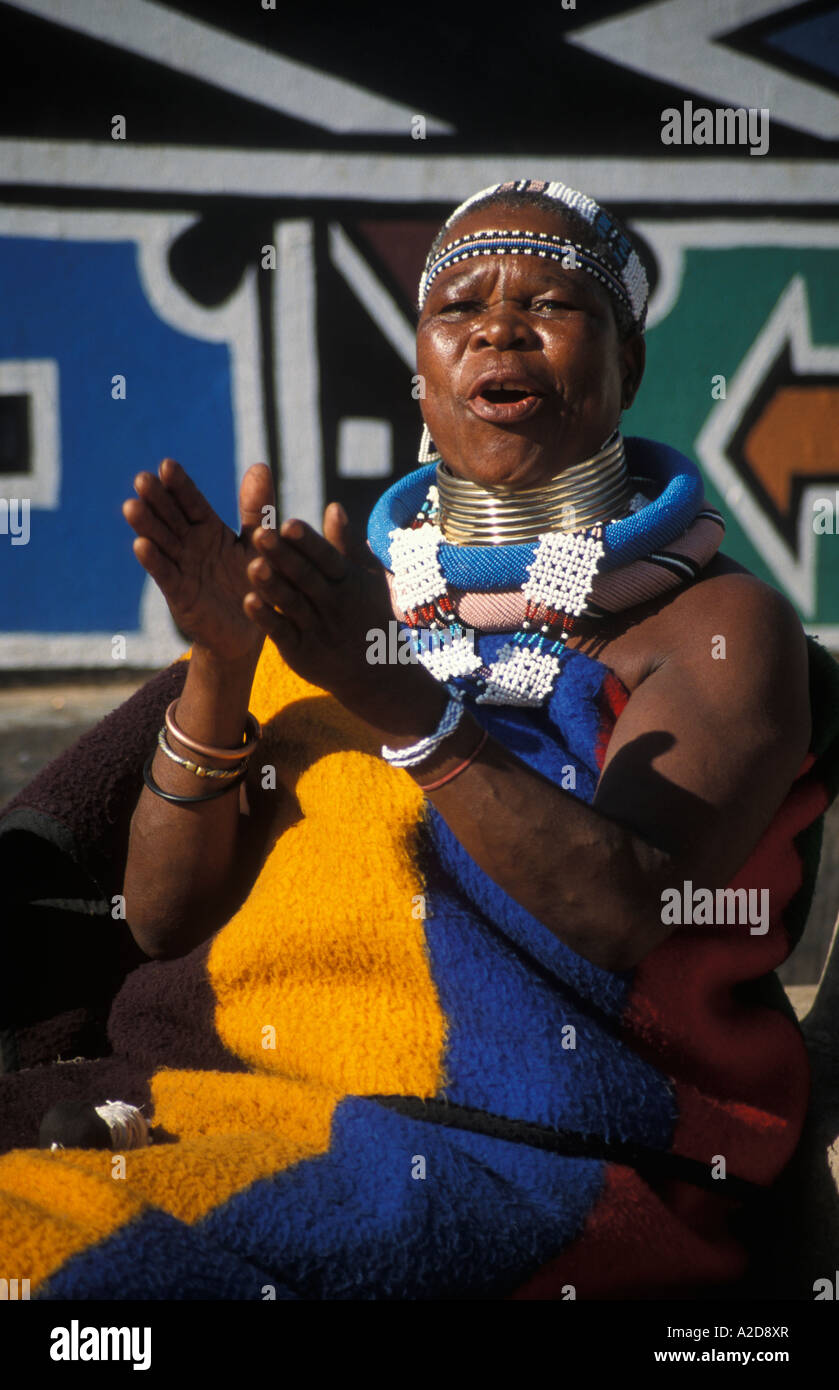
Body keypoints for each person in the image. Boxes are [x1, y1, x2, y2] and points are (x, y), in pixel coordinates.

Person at [1, 178, 835, 1301]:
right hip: (236, 1093)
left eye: (549, 302)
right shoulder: (347, 597)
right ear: (422, 378)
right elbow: (158, 915)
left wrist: (398, 700)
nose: (497, 326)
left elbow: (628, 905)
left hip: (527, 1159)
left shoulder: (716, 623)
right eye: (458, 309)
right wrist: (215, 667)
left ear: (626, 368)